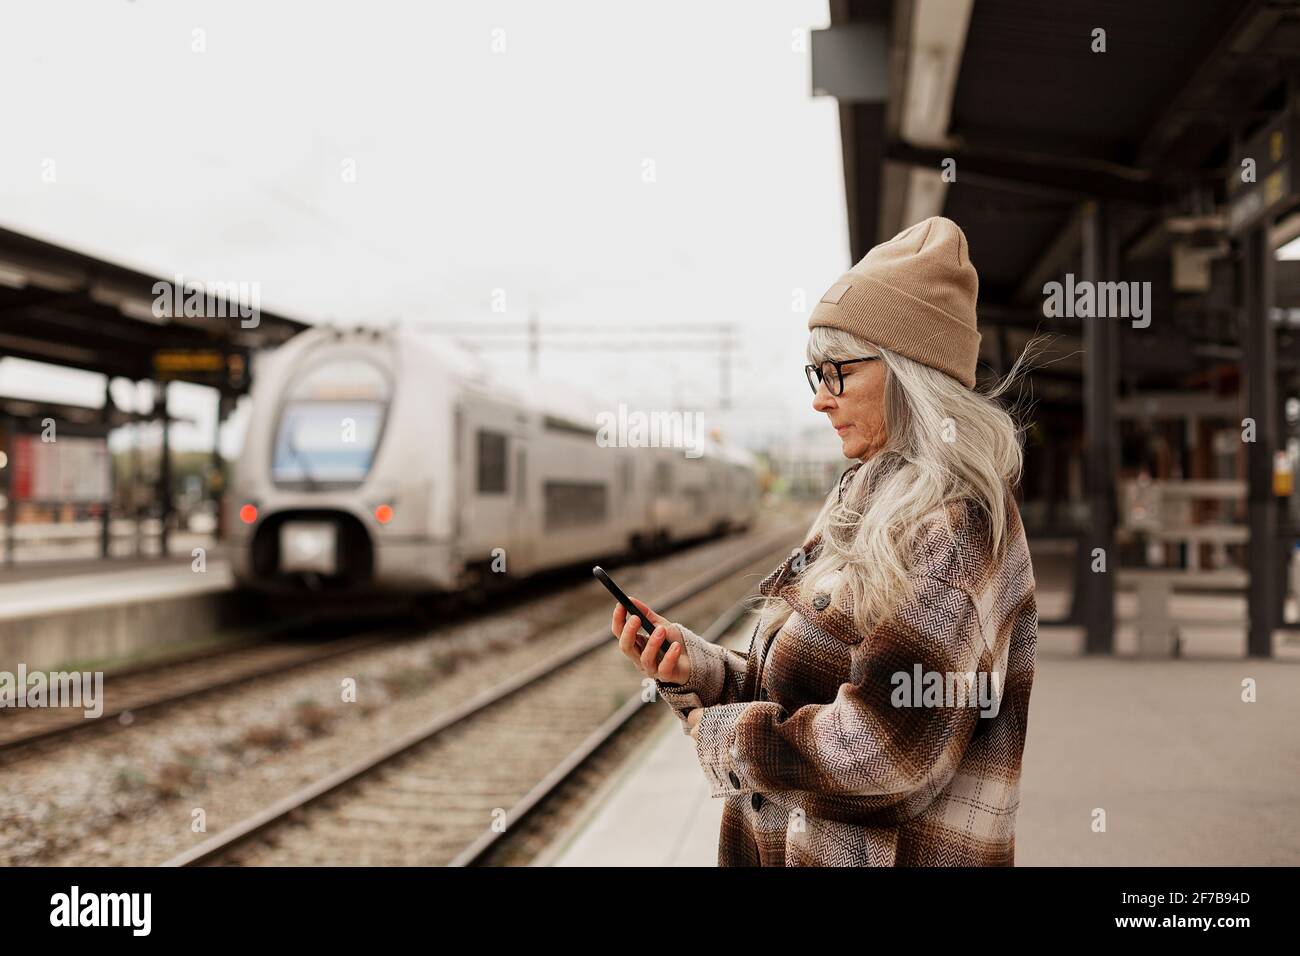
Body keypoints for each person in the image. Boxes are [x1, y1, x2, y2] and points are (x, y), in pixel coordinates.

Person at [611, 216, 1041, 865]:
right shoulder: (863, 499)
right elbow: (804, 691)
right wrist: (697, 669)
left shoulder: (954, 528)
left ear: (908, 373)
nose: (820, 401)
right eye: (816, 376)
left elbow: (885, 754)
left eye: (836, 372)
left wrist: (723, 736)